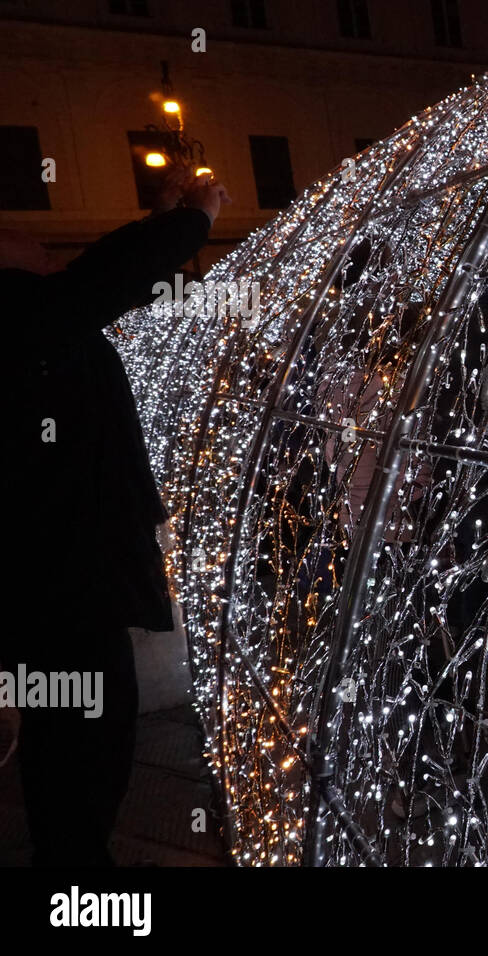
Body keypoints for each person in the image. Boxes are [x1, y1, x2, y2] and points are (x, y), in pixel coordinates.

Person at [1, 174, 230, 866]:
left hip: (57, 578)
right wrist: (192, 221)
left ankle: (70, 851)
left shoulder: (42, 315)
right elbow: (107, 277)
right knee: (89, 731)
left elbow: (93, 275)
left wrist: (159, 218)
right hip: (63, 583)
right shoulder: (24, 315)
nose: (48, 249)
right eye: (34, 245)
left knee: (67, 733)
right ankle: (78, 870)